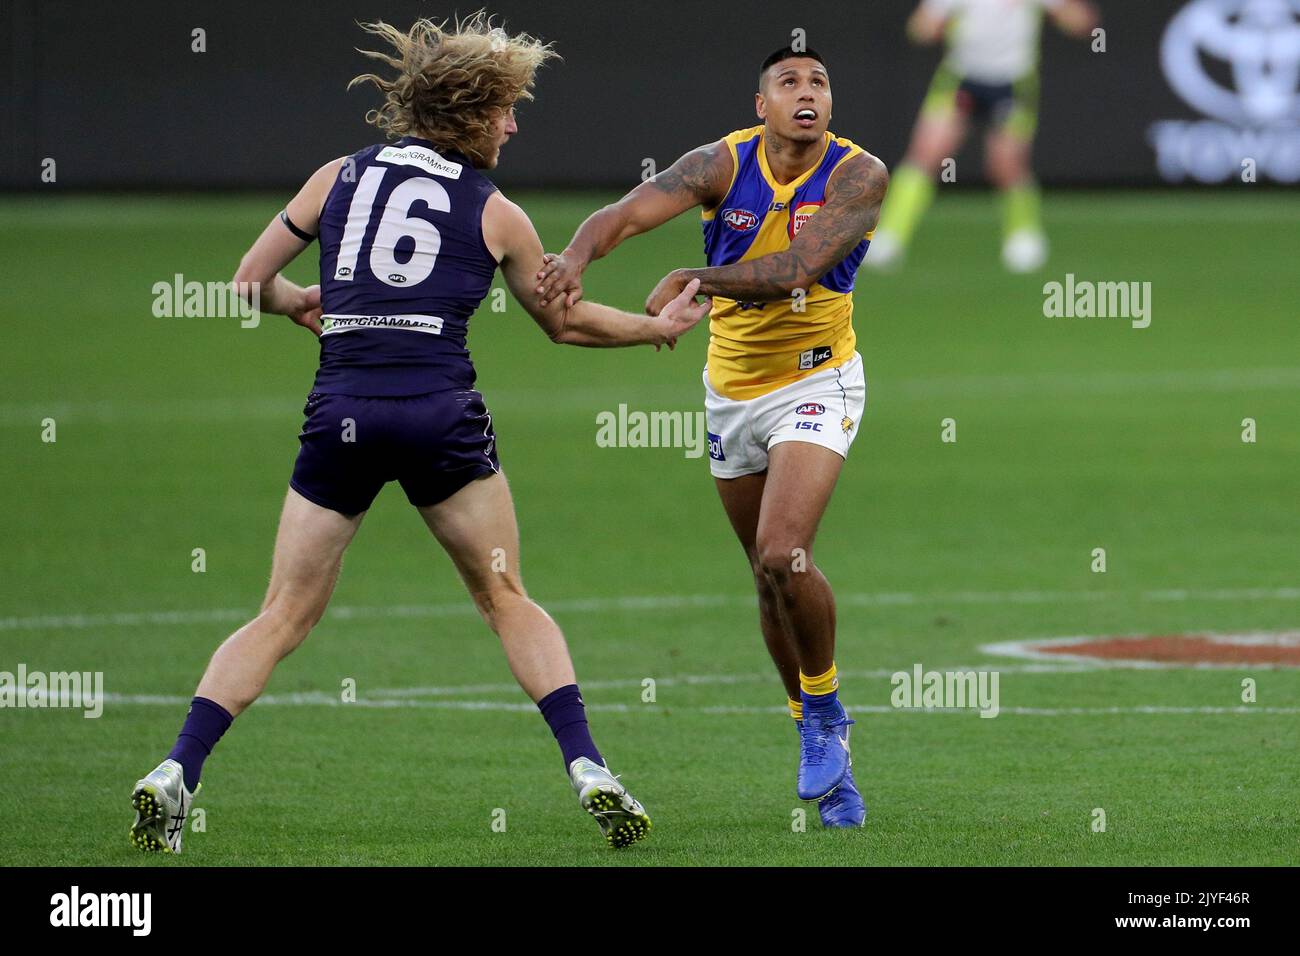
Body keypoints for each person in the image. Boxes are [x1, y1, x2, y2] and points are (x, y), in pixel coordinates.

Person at [128, 14, 709, 855]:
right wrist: (659, 330)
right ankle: (590, 767)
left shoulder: (335, 177)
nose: (513, 124)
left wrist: (300, 306)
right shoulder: (497, 212)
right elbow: (565, 321)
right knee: (506, 596)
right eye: (507, 108)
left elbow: (250, 280)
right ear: (474, 113)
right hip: (440, 415)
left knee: (284, 613)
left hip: (343, 415)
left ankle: (177, 769)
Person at [536, 45, 889, 828]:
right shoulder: (720, 164)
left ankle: (826, 711)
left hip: (816, 378)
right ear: (760, 104)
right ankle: (820, 753)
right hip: (730, 391)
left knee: (781, 551)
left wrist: (696, 280)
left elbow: (799, 268)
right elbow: (623, 215)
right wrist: (574, 257)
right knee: (767, 582)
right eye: (789, 83)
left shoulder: (859, 175)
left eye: (820, 83)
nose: (807, 93)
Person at [868, 0, 1100, 272]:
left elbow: (1084, 23)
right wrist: (932, 26)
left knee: (1007, 166)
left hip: (1012, 85)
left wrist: (1068, 15)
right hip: (961, 81)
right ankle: (890, 237)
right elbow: (919, 29)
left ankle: (1024, 237)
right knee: (925, 155)